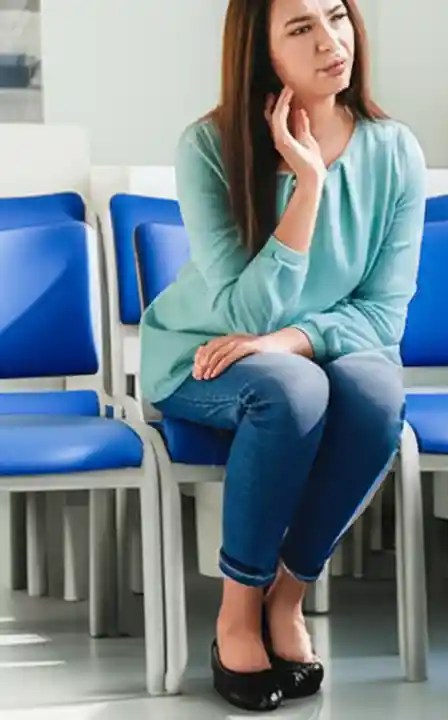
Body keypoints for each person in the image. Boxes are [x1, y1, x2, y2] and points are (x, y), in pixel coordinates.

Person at [138, 0, 426, 711]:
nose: (332, 41)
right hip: (203, 359)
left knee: (376, 394)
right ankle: (237, 608)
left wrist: (292, 340)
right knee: (293, 391)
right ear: (261, 54)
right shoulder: (207, 146)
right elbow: (243, 313)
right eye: (301, 28)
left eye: (337, 15)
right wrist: (309, 186)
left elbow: (385, 314)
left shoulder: (395, 152)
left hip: (310, 356)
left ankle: (287, 597)